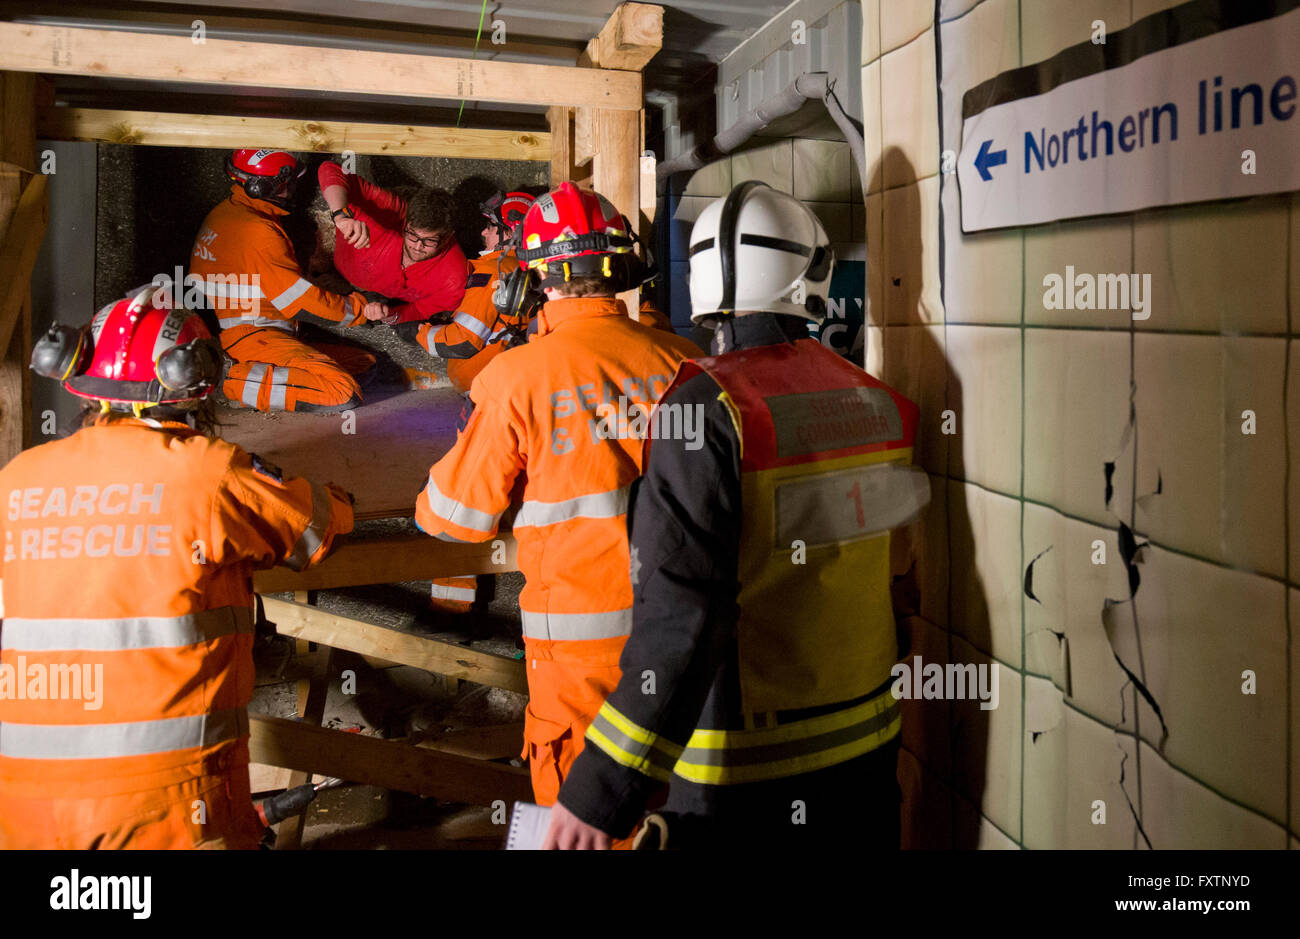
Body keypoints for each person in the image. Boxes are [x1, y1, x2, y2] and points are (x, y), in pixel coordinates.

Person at [544, 181, 930, 850]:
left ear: (703, 280)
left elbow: (683, 615)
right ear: (809, 272)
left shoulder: (707, 408)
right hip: (867, 758)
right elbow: (898, 583)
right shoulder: (880, 402)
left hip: (744, 781)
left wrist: (600, 792)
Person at [0, 287, 354, 849]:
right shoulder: (207, 472)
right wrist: (338, 498)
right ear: (193, 386)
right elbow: (311, 531)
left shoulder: (17, 478)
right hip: (166, 805)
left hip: (22, 808)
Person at [413, 182, 701, 810]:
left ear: (534, 278)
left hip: (582, 650)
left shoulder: (515, 378)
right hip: (686, 630)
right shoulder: (688, 362)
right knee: (677, 794)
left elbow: (453, 518)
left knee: (585, 806)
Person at [190, 149, 378, 412]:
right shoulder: (258, 231)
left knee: (364, 364)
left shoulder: (228, 213)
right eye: (284, 184)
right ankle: (229, 380)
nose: (290, 191)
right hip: (250, 338)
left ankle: (252, 375)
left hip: (253, 334)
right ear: (259, 187)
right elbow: (299, 302)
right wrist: (361, 309)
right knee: (342, 391)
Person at [420, 190, 535, 615]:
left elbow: (461, 342)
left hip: (489, 401)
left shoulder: (494, 273)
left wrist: (416, 331)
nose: (483, 233)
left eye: (491, 226)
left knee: (463, 499)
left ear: (510, 234)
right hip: (523, 399)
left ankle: (451, 611)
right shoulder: (536, 273)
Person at [317, 158, 467, 325]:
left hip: (375, 298)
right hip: (337, 265)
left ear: (447, 237)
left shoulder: (454, 281)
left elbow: (419, 310)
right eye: (412, 235)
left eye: (430, 241)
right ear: (406, 221)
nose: (417, 246)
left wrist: (389, 315)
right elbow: (329, 168)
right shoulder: (393, 211)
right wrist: (341, 216)